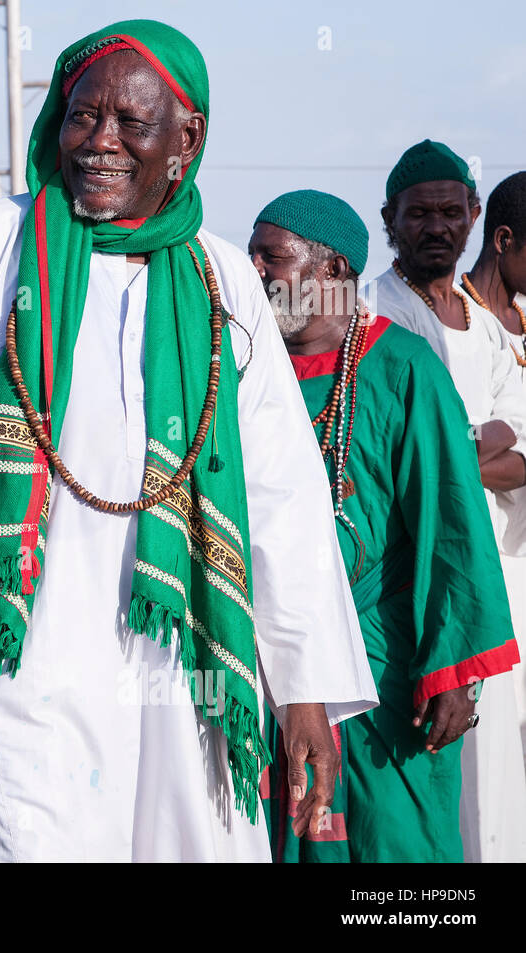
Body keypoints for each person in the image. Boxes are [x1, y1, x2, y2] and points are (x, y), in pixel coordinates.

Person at [0, 20, 377, 862]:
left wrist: (306, 690)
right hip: (4, 659)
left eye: (131, 122)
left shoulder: (221, 277)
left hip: (177, 668)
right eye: (83, 116)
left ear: (186, 139)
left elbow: (280, 496)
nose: (100, 143)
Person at [249, 189, 518, 861]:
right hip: (273, 664)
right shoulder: (246, 371)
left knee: (397, 846)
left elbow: (452, 521)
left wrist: (455, 670)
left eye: (270, 258)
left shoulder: (404, 368)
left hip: (386, 667)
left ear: (334, 272)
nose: (252, 271)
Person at [366, 141, 526, 862]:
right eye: (419, 213)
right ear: (388, 219)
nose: (437, 226)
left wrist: (452, 450)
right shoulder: (369, 315)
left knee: (497, 776)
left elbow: (519, 450)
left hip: (494, 576)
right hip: (410, 578)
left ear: (472, 216)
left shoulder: (487, 327)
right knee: (423, 763)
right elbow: (401, 457)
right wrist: (466, 445)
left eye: (450, 211)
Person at [459, 170, 526, 728]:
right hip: (493, 561)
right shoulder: (459, 323)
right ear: (503, 241)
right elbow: (462, 448)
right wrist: (466, 454)